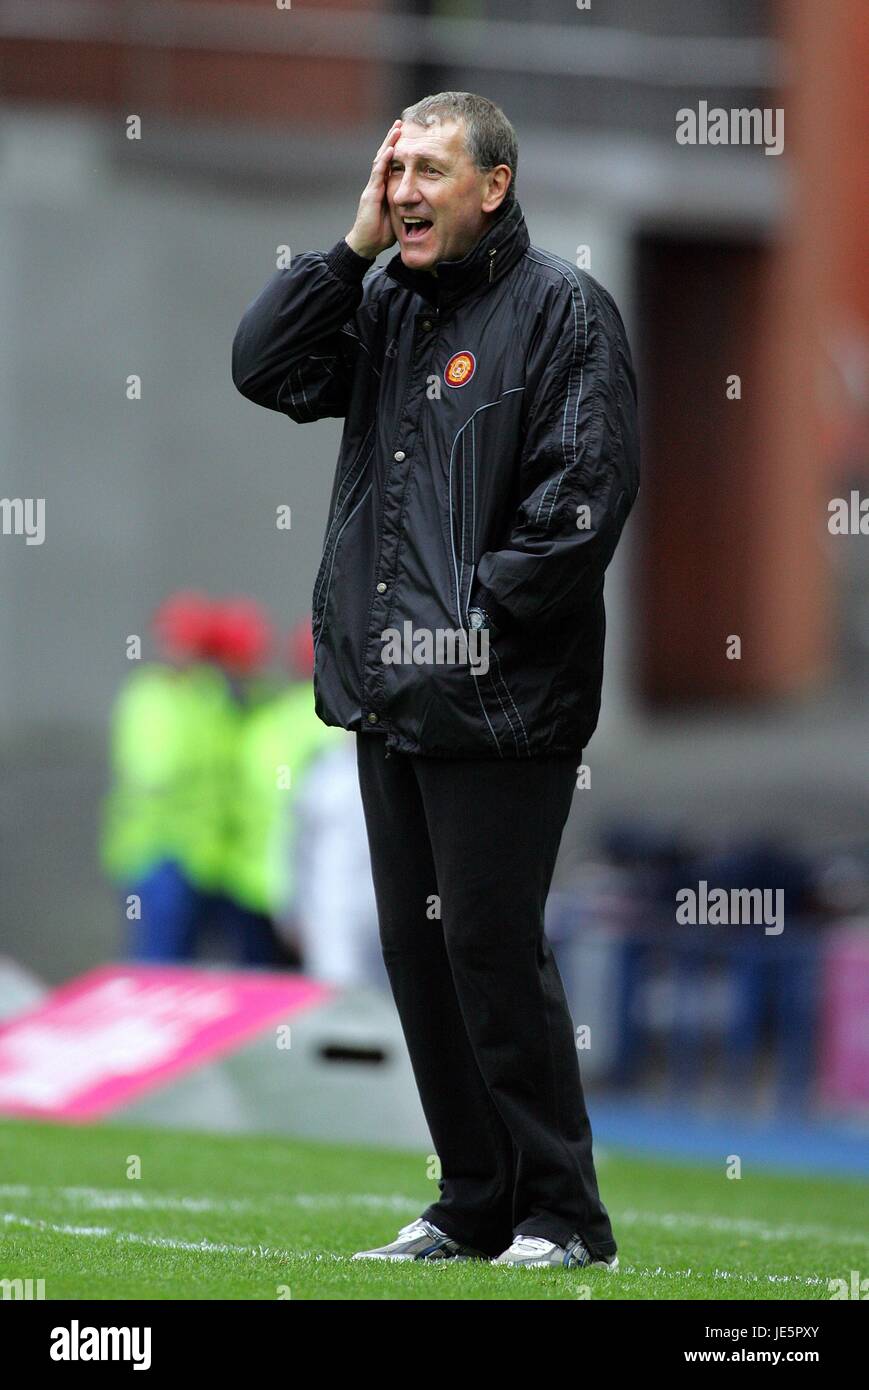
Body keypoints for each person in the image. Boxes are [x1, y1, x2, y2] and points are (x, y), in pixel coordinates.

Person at [232, 92, 639, 1269]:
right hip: (388, 697)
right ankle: (473, 1202)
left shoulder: (563, 307)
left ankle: (564, 1214)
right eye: (392, 167)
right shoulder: (384, 306)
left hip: (500, 697)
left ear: (492, 185)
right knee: (416, 956)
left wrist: (471, 619)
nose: (402, 187)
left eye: (426, 170)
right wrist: (353, 243)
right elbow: (263, 364)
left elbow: (581, 497)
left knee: (489, 946)